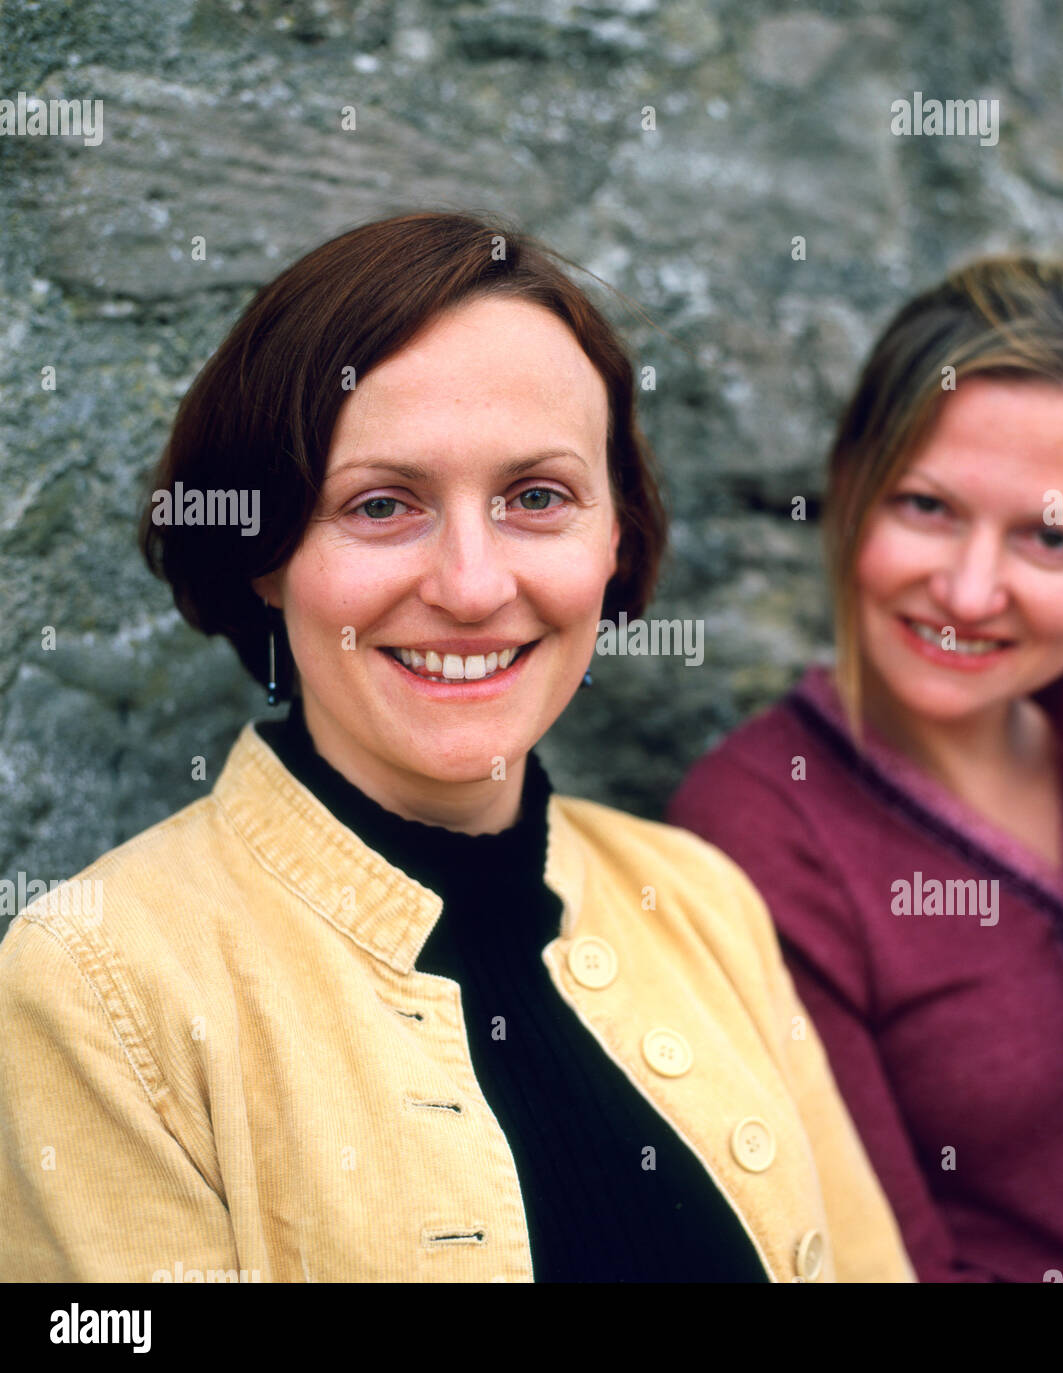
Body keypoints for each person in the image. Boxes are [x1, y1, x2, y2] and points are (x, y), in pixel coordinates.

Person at [0, 211, 912, 1284]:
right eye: (382, 504)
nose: (473, 586)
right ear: (263, 551)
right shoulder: (94, 986)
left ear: (615, 536)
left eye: (537, 497)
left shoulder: (702, 898)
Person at [667, 254, 1063, 1283]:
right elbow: (891, 1265)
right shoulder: (760, 822)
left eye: (1050, 537)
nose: (966, 590)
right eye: (925, 505)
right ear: (848, 488)